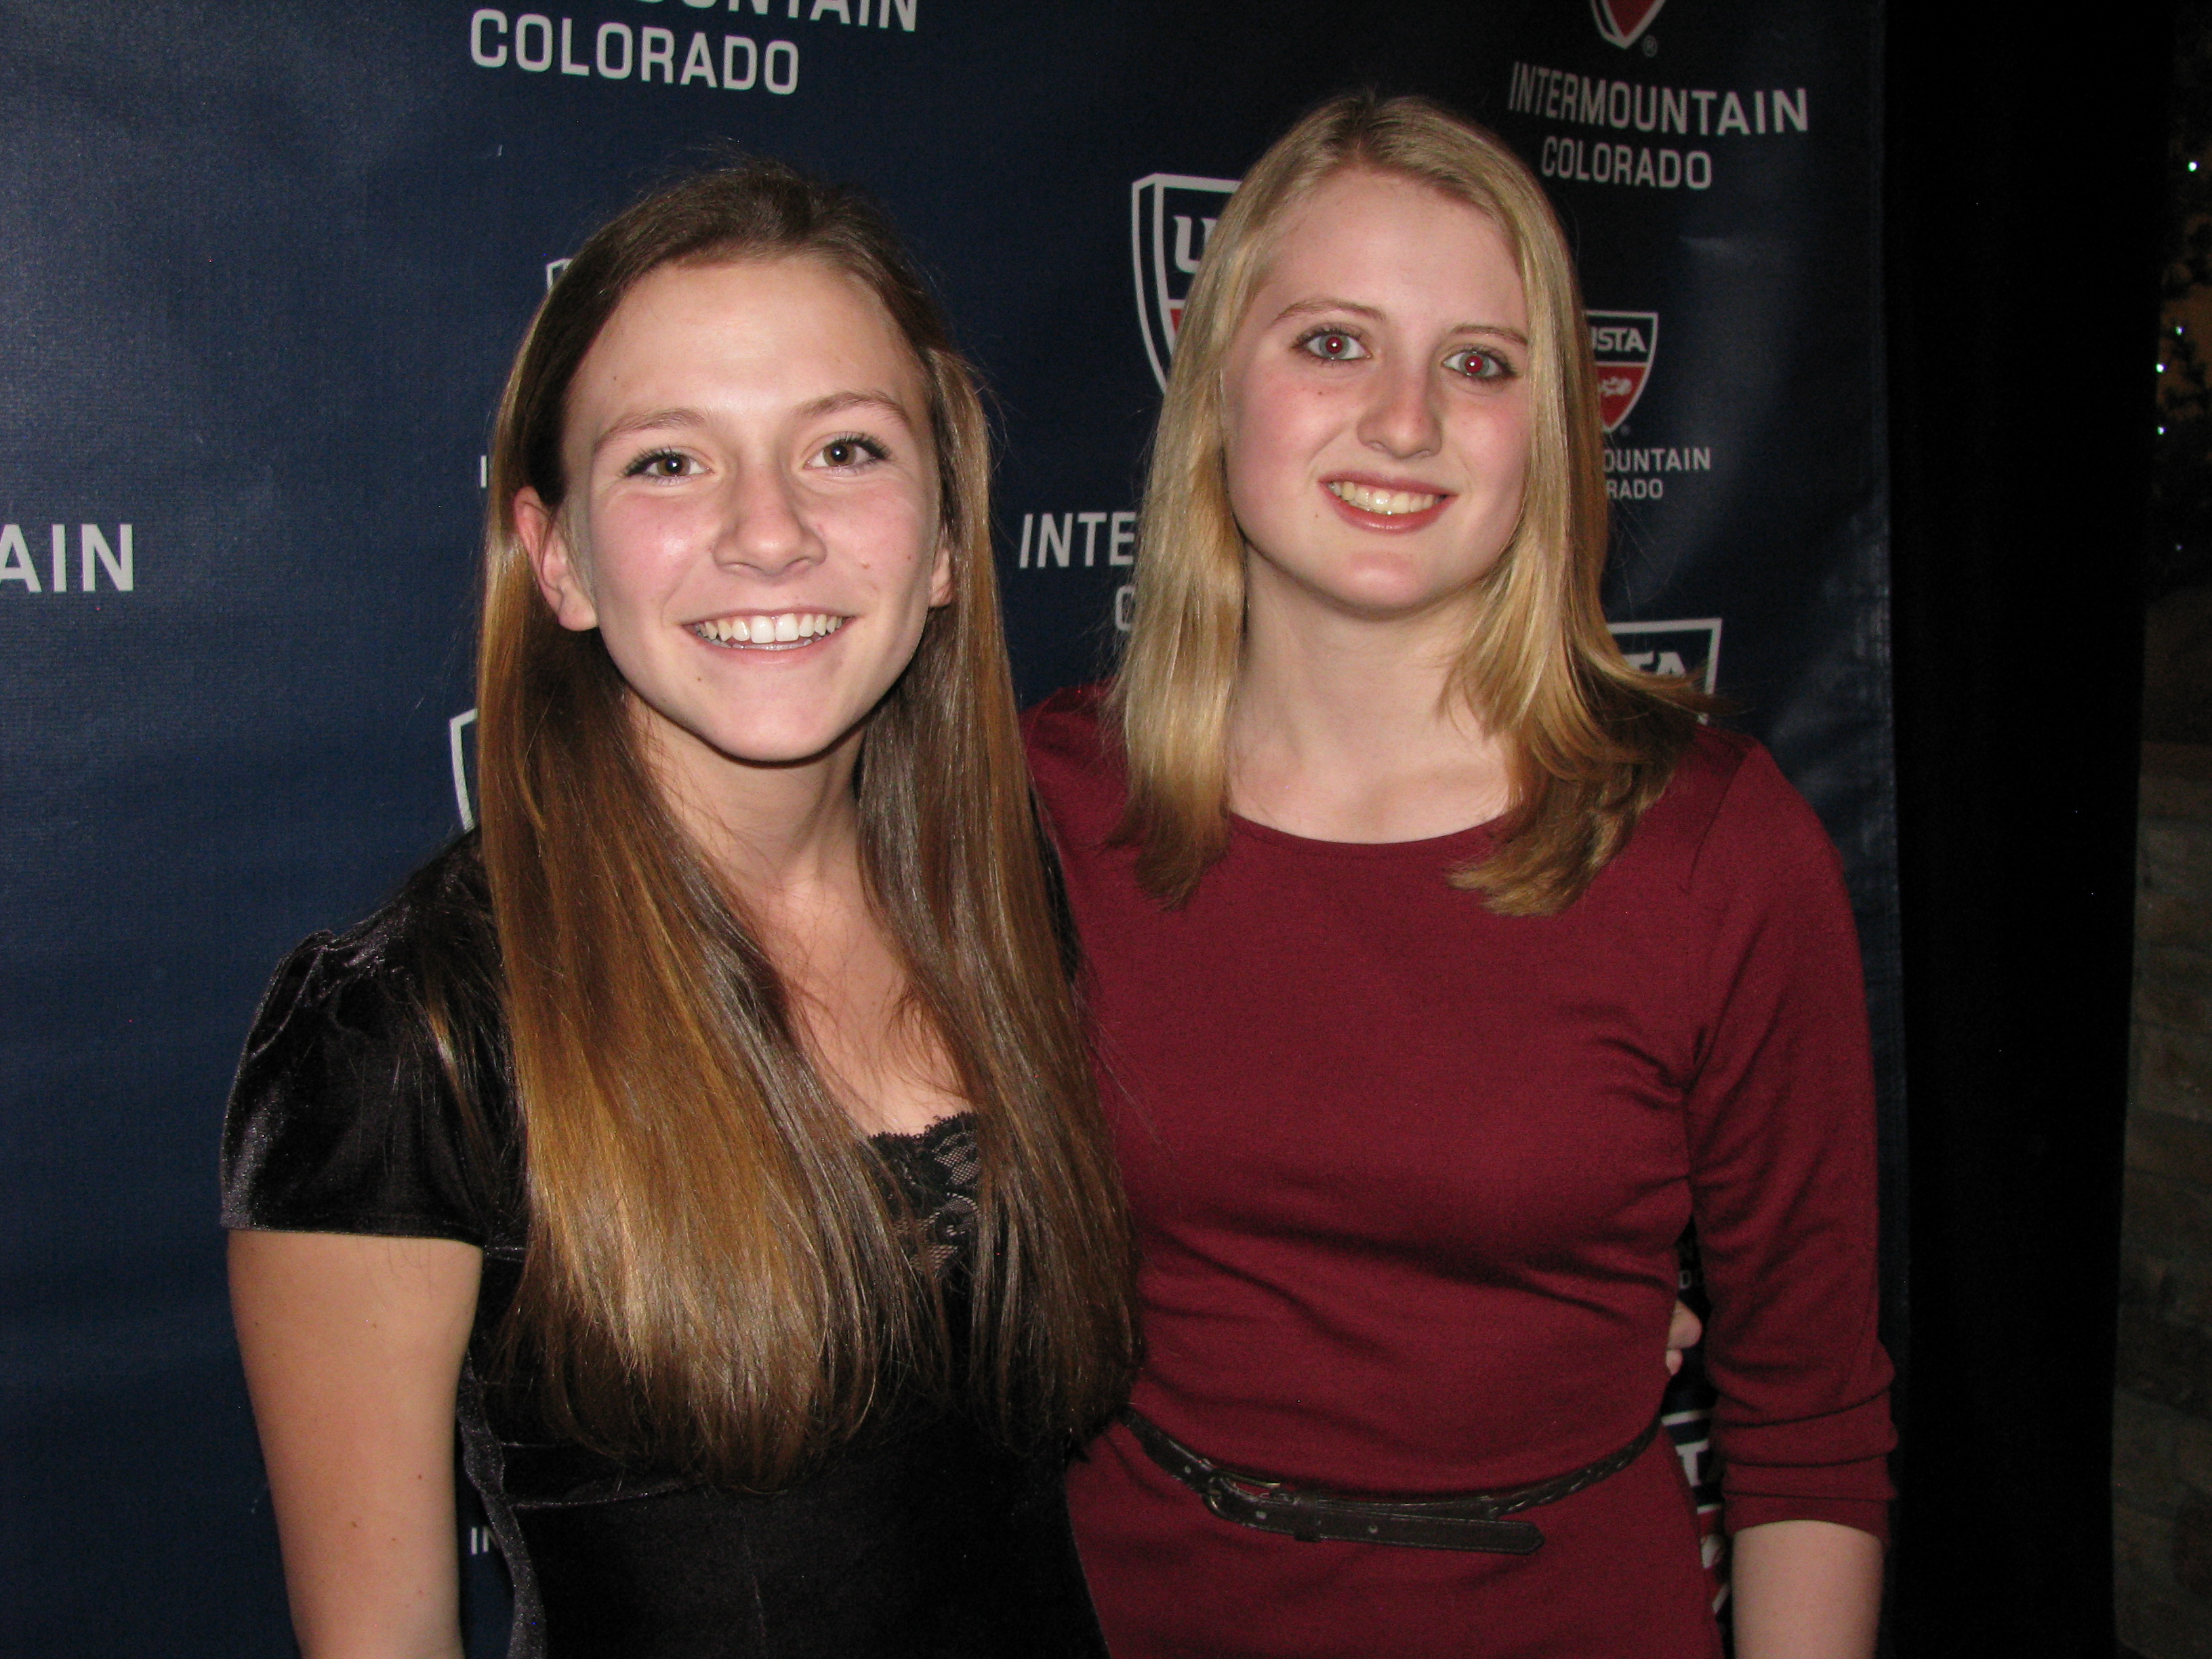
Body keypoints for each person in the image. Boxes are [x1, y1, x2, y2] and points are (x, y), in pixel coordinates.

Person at [222, 161, 1139, 1659]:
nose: (767, 532)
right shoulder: (406, 1041)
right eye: (667, 463)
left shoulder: (1013, 903)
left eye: (844, 448)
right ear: (559, 557)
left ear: (950, 541)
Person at [1025, 94, 1893, 1659]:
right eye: (1335, 342)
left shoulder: (1709, 846)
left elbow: (1812, 1417)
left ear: (1551, 430)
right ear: (1217, 380)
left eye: (1481, 364)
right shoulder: (1044, 803)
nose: (1407, 420)